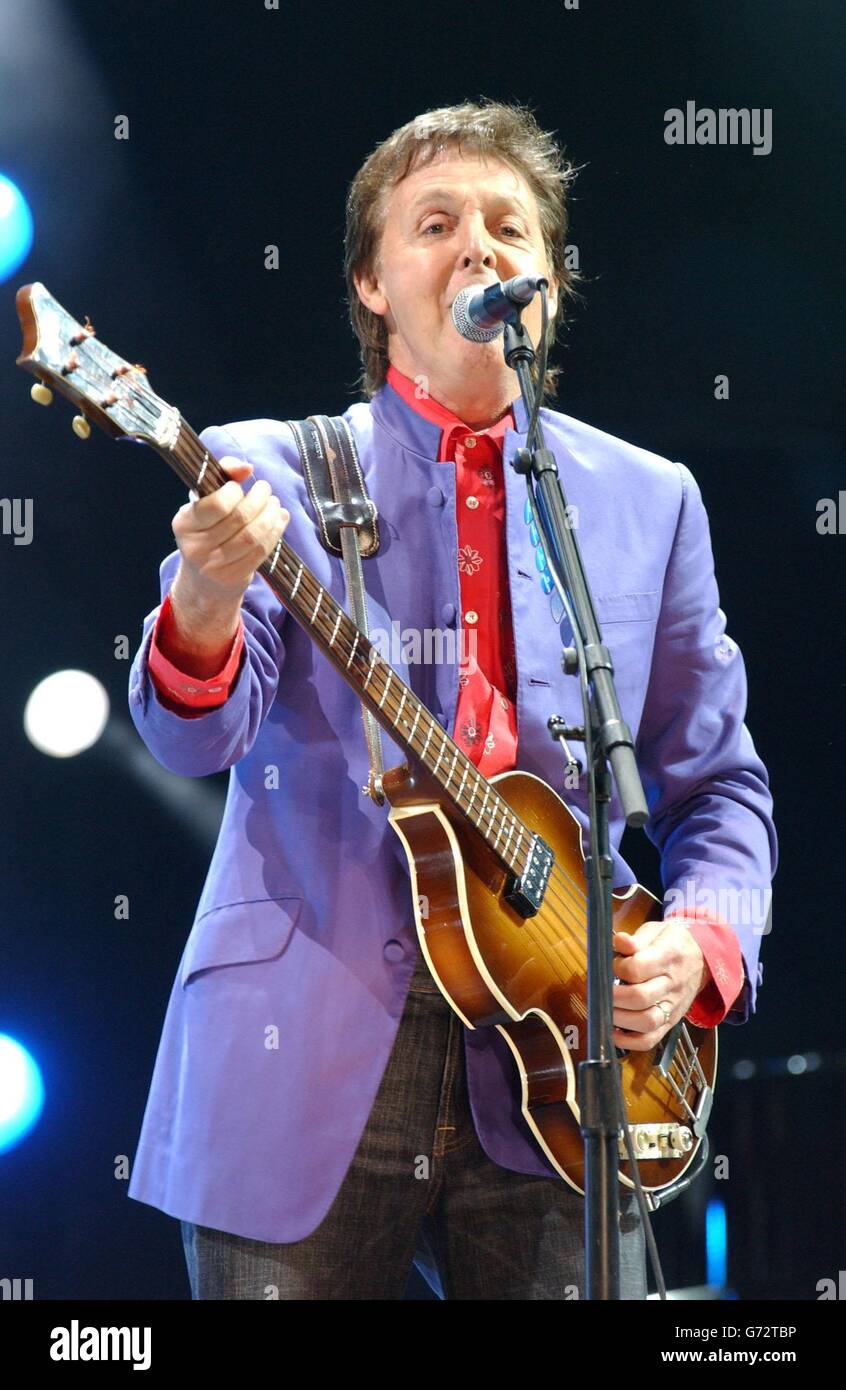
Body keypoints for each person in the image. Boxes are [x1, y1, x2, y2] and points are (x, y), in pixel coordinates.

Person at [126, 100, 777, 1300]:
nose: (478, 245)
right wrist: (209, 598)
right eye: (436, 223)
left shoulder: (651, 499)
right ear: (373, 283)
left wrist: (700, 942)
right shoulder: (270, 468)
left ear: (548, 284)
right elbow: (188, 731)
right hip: (308, 1051)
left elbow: (720, 782)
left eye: (506, 225)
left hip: (564, 1064)